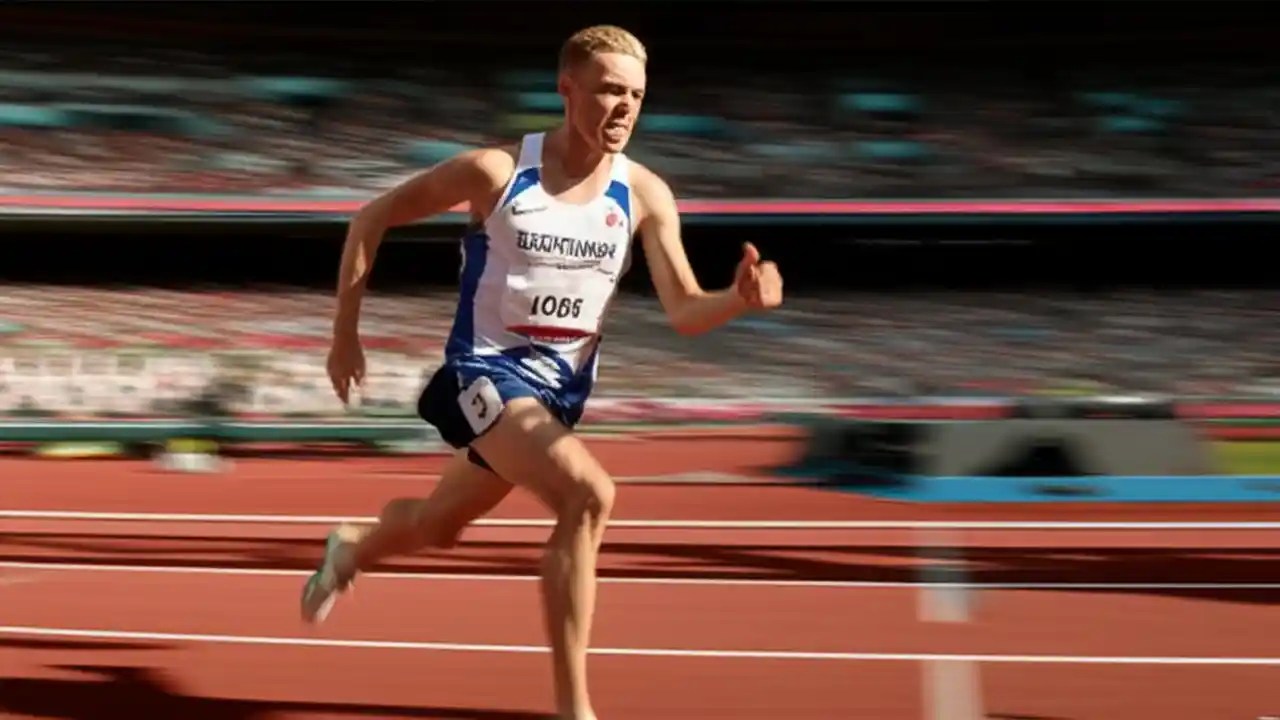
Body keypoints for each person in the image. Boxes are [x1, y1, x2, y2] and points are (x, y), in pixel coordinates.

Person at [300, 24, 783, 720]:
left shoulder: (645, 193)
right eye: (609, 90)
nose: (624, 108)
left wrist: (736, 301)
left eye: (637, 95)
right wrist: (344, 335)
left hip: (556, 399)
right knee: (589, 495)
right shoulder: (497, 172)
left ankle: (350, 547)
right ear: (567, 90)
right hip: (483, 374)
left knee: (438, 526)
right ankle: (573, 709)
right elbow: (370, 219)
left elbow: (682, 309)